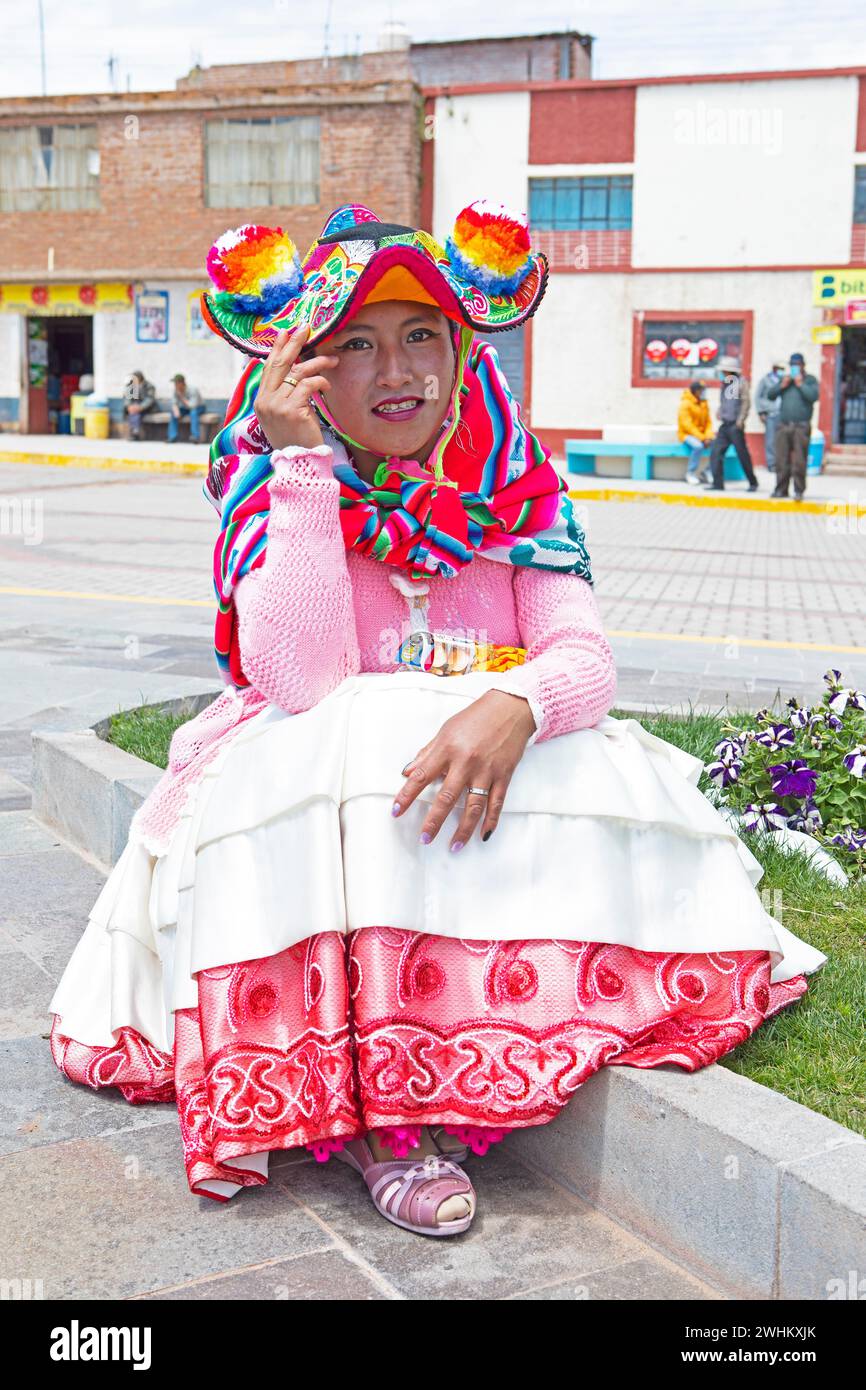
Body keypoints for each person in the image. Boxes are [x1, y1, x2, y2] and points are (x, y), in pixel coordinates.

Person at [47, 203, 825, 1237]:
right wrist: (301, 467)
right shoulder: (280, 494)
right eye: (354, 345)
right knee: (360, 725)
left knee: (563, 738)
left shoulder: (511, 496)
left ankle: (508, 1025)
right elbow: (302, 681)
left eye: (422, 334)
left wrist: (515, 701)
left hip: (469, 830)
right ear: (303, 370)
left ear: (463, 354)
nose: (395, 370)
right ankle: (392, 1117)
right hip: (333, 812)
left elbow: (582, 660)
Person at [767, 352, 819, 501]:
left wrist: (800, 384)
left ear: (803, 365)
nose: (795, 367)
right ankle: (781, 489)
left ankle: (798, 490)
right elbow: (770, 395)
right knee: (781, 460)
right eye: (792, 365)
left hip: (801, 426)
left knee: (799, 461)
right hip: (783, 425)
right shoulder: (786, 380)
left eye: (797, 365)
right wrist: (781, 385)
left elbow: (813, 397)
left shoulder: (810, 380)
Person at [705, 356, 758, 492]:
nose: (723, 373)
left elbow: (745, 403)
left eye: (725, 371)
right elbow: (726, 402)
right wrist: (720, 411)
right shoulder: (726, 384)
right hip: (725, 425)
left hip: (735, 425)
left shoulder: (740, 383)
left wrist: (741, 420)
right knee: (716, 453)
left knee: (742, 455)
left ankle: (753, 482)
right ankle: (718, 483)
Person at [677, 378, 713, 485]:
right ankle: (690, 473)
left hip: (702, 435)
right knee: (698, 446)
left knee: (718, 446)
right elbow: (687, 425)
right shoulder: (686, 403)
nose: (703, 392)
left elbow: (708, 422)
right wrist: (702, 438)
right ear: (695, 390)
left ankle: (707, 472)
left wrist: (708, 436)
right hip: (687, 435)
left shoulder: (704, 403)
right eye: (701, 390)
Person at [755, 360, 785, 473]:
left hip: (782, 414)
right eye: (779, 369)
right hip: (770, 413)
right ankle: (771, 463)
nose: (781, 371)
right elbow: (758, 397)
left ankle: (780, 463)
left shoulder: (783, 381)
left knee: (781, 440)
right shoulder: (765, 380)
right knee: (771, 440)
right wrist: (761, 412)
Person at [168, 373, 203, 443]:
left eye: (176, 383)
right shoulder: (176, 391)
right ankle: (173, 436)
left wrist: (181, 397)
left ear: (181, 383)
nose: (175, 385)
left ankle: (195, 437)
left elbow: (192, 406)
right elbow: (174, 403)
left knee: (193, 413)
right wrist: (176, 411)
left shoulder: (193, 389)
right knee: (173, 413)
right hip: (186, 408)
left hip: (198, 407)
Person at [123, 370, 157, 440]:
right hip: (134, 407)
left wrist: (140, 407)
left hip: (147, 408)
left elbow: (150, 399)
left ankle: (135, 432)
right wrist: (129, 406)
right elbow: (127, 398)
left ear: (140, 378)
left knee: (136, 412)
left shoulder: (149, 386)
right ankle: (135, 432)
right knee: (133, 411)